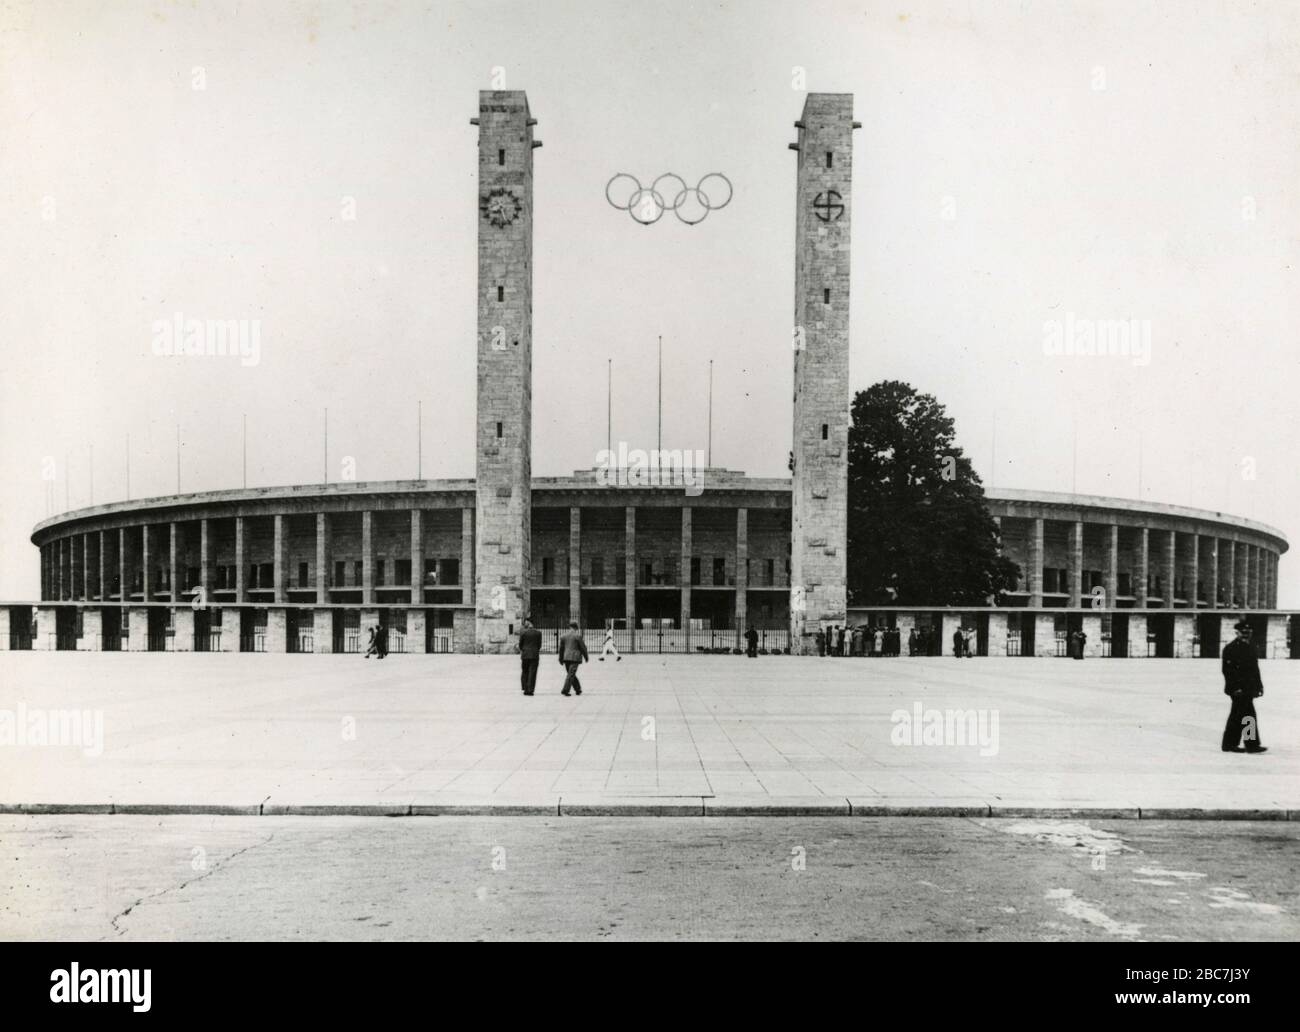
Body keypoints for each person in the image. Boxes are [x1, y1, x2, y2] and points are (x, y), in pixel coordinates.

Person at [1221, 621, 1267, 754]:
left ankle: (1229, 744)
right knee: (1247, 715)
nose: (1246, 635)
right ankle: (1250, 745)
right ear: (1237, 633)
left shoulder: (1251, 647)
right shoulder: (1231, 648)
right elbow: (1228, 671)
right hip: (1238, 689)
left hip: (1249, 688)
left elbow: (1255, 670)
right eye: (1243, 632)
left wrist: (1259, 686)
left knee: (1238, 715)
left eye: (1248, 632)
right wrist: (1236, 688)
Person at [558, 621, 588, 696]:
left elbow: (561, 649)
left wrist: (560, 659)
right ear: (576, 628)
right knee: (571, 674)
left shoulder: (563, 636)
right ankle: (565, 690)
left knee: (570, 674)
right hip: (575, 657)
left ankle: (578, 689)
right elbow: (583, 648)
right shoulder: (577, 636)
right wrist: (586, 656)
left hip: (566, 657)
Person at [518, 617, 542, 695]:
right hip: (534, 655)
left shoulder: (523, 632)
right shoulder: (538, 633)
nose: (525, 623)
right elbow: (539, 645)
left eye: (526, 622)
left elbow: (520, 644)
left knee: (525, 671)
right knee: (532, 672)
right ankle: (530, 690)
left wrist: (524, 650)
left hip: (525, 655)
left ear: (529, 623)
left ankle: (525, 688)